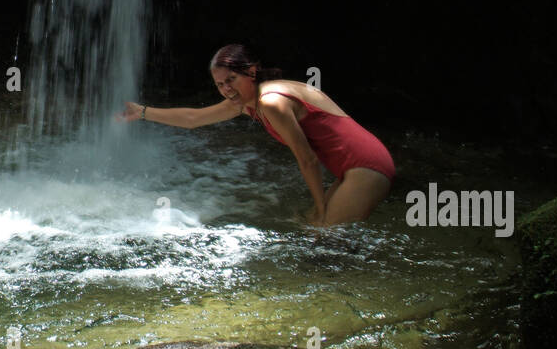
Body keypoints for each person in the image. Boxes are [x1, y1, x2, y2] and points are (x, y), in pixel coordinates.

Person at [116, 42, 395, 228]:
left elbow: (308, 159)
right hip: (350, 168)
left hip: (366, 165)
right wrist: (142, 112)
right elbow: (194, 119)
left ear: (250, 72)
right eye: (220, 84)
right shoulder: (247, 102)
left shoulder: (272, 102)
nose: (226, 89)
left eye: (231, 80)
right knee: (310, 227)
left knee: (328, 236)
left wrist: (321, 206)